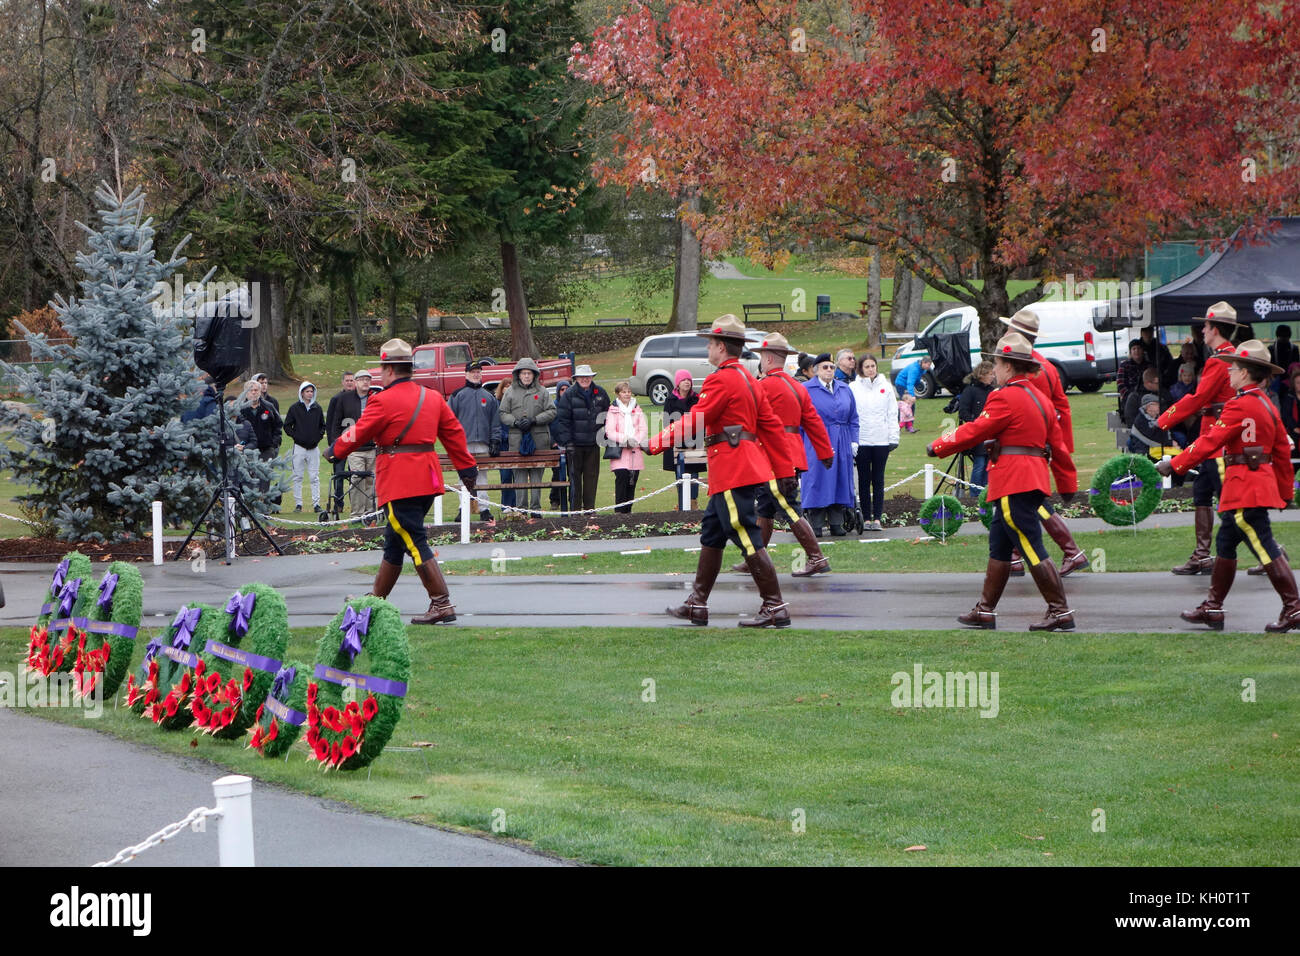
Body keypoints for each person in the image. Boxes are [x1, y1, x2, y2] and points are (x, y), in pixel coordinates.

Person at [646, 315, 796, 627]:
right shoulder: (751, 382)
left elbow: (696, 419)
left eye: (710, 343)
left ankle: (774, 606)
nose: (708, 349)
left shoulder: (721, 379)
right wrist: (785, 472)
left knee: (745, 535)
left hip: (732, 469)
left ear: (720, 347)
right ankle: (697, 604)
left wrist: (657, 441)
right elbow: (772, 430)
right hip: (740, 468)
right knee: (712, 534)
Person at [927, 331, 1079, 631]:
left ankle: (1060, 612)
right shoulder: (1041, 399)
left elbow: (974, 430)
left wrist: (939, 444)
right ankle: (985, 610)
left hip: (1014, 480)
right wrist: (1067, 483)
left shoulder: (1005, 397)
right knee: (999, 546)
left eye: (996, 364)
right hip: (1030, 477)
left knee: (1030, 546)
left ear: (1009, 366)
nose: (993, 370)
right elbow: (1058, 446)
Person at [332, 339, 478, 625]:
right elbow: (454, 434)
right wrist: (467, 469)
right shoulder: (432, 397)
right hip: (426, 479)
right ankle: (375, 602)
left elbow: (360, 432)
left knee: (413, 540)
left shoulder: (382, 400)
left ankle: (442, 603)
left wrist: (334, 450)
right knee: (394, 542)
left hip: (400, 481)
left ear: (388, 370)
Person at [1156, 340, 1299, 631]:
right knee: (1225, 544)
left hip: (1244, 488)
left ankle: (1294, 608)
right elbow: (1283, 452)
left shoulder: (1239, 405)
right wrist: (1285, 492)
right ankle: (1213, 607)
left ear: (1245, 374)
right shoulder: (1267, 404)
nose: (1229, 372)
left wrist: (1174, 464)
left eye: (1233, 368)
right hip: (1253, 487)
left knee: (1264, 546)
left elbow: (1209, 441)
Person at [732, 332, 833, 575]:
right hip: (793, 454)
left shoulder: (762, 386)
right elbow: (814, 422)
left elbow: (747, 419)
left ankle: (816, 557)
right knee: (766, 508)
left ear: (767, 359)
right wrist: (825, 452)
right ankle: (755, 559)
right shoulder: (797, 387)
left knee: (788, 508)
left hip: (773, 456)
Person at [1157, 302, 1245, 575]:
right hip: (1212, 430)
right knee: (1202, 492)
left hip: (1217, 433)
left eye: (1205, 326)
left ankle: (1271, 549)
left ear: (1215, 329)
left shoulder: (1220, 360)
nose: (1202, 331)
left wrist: (1163, 420)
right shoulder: (1224, 356)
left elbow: (1198, 398)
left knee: (1230, 504)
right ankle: (1202, 556)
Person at [998, 310, 1088, 576]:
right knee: (1019, 503)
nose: (1004, 334)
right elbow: (1062, 407)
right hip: (1044, 443)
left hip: (1029, 447)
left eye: (1008, 330)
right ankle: (1014, 555)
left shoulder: (1030, 370)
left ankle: (1071, 551)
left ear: (1017, 335)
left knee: (1029, 502)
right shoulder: (1044, 365)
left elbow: (1026, 410)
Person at [802, 353, 859, 536]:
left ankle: (836, 523)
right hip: (816, 440)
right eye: (825, 367)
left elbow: (853, 418)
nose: (829, 370)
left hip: (842, 438)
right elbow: (799, 420)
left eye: (831, 367)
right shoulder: (806, 389)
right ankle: (816, 524)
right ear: (816, 369)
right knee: (817, 480)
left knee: (840, 480)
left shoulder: (844, 388)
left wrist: (854, 440)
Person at [499, 357, 558, 513]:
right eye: (523, 373)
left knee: (537, 476)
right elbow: (503, 413)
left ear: (534, 375)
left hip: (538, 440)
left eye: (529, 373)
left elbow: (552, 411)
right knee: (519, 476)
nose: (526, 376)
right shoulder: (510, 392)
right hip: (517, 440)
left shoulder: (542, 391)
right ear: (518, 375)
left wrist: (535, 420)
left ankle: (536, 509)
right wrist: (515, 422)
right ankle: (521, 509)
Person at [447, 359, 501, 522]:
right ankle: (463, 508)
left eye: (478, 372)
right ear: (466, 374)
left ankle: (484, 508)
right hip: (463, 444)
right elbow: (449, 421)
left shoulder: (489, 397)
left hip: (483, 443)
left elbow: (495, 422)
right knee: (463, 477)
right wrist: (453, 443)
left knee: (482, 477)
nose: (476, 375)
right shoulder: (457, 395)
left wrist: (495, 441)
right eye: (473, 372)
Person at [850, 354, 899, 527]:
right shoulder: (854, 387)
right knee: (863, 479)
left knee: (878, 479)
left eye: (873, 366)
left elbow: (892, 413)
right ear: (861, 369)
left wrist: (894, 437)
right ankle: (866, 517)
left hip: (881, 439)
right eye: (867, 367)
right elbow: (851, 415)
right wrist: (852, 439)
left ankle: (877, 517)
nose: (871, 369)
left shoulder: (885, 387)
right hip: (862, 440)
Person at [554, 364, 610, 512]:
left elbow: (607, 415)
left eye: (588, 376)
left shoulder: (601, 393)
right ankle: (576, 511)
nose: (585, 379)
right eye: (582, 377)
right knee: (575, 479)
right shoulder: (569, 394)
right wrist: (568, 442)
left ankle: (590, 509)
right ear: (576, 378)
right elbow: (563, 420)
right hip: (575, 445)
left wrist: (604, 433)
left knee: (591, 478)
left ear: (592, 377)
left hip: (593, 443)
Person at [337, 369, 378, 524]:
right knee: (356, 480)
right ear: (355, 382)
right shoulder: (345, 399)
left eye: (368, 379)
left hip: (372, 447)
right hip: (354, 448)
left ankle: (370, 513)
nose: (365, 382)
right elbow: (337, 421)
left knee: (371, 481)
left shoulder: (375, 398)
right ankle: (356, 514)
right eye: (362, 379)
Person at [662, 370, 705, 510]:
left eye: (689, 380)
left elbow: (701, 420)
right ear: (678, 383)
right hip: (677, 443)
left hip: (694, 441)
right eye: (683, 380)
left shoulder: (696, 399)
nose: (687, 382)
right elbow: (667, 423)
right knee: (680, 473)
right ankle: (682, 503)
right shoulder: (670, 400)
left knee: (694, 474)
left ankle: (693, 502)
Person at [604, 380, 647, 513]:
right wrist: (625, 440)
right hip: (620, 452)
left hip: (635, 451)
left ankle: (628, 512)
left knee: (632, 481)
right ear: (618, 394)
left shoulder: (637, 409)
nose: (627, 394)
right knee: (622, 479)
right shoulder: (613, 410)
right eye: (623, 392)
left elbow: (643, 428)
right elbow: (609, 431)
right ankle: (619, 511)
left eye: (628, 392)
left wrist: (635, 440)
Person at [284, 381, 326, 512]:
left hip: (313, 448)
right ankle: (298, 504)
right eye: (307, 391)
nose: (310, 393)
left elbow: (322, 426)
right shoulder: (294, 408)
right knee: (297, 476)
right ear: (302, 393)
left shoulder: (317, 408)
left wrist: (317, 438)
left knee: (314, 477)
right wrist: (297, 437)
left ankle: (316, 504)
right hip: (299, 448)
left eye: (311, 391)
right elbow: (287, 426)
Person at [956, 360, 995, 499]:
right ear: (982, 374)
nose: (993, 377)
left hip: (991, 433)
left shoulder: (993, 391)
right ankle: (974, 495)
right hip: (977, 434)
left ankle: (986, 494)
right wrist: (976, 424)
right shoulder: (970, 391)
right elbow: (963, 412)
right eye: (990, 374)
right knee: (979, 464)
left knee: (989, 465)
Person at [239, 378, 283, 501]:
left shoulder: (268, 407)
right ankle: (249, 504)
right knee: (248, 479)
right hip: (247, 450)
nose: (254, 392)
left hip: (266, 450)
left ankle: (263, 507)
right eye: (251, 390)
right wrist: (241, 445)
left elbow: (278, 425)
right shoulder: (240, 409)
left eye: (256, 390)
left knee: (264, 479)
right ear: (246, 393)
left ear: (260, 392)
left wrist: (274, 443)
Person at [325, 371, 355, 515]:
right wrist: (332, 444)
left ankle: (355, 503)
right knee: (339, 475)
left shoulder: (358, 399)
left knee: (355, 475)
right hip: (340, 443)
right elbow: (330, 422)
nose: (350, 383)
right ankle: (338, 504)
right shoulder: (336, 399)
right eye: (347, 380)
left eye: (352, 380)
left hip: (355, 443)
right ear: (343, 382)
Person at [1127, 393, 1177, 458]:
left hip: (1156, 449)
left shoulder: (1156, 417)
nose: (1159, 407)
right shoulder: (1141, 420)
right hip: (1144, 450)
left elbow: (1165, 431)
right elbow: (1151, 438)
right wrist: (1170, 443)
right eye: (1156, 404)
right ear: (1149, 407)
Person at [548, 378, 571, 512]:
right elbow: (549, 426)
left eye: (567, 389)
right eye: (562, 389)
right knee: (557, 474)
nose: (565, 391)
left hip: (570, 444)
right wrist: (552, 442)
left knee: (572, 474)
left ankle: (571, 500)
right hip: (557, 445)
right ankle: (555, 500)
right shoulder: (553, 406)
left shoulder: (572, 404)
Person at [1116, 339, 1149, 414]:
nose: (1136, 351)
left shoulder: (1149, 365)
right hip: (1129, 398)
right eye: (1134, 349)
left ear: (1142, 351)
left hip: (1146, 397)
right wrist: (1129, 396)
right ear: (1130, 351)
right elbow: (1120, 384)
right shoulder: (1124, 365)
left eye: (1138, 348)